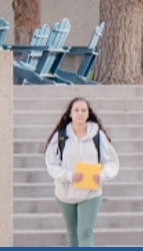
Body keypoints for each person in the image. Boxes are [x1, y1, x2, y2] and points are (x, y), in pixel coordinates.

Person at [44, 98, 120, 247]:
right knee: (72, 233)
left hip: (91, 192)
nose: (80, 113)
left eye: (83, 110)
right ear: (70, 114)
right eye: (76, 110)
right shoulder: (60, 136)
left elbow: (111, 161)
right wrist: (68, 176)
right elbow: (51, 164)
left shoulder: (97, 136)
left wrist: (102, 175)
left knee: (85, 232)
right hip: (65, 193)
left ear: (88, 113)